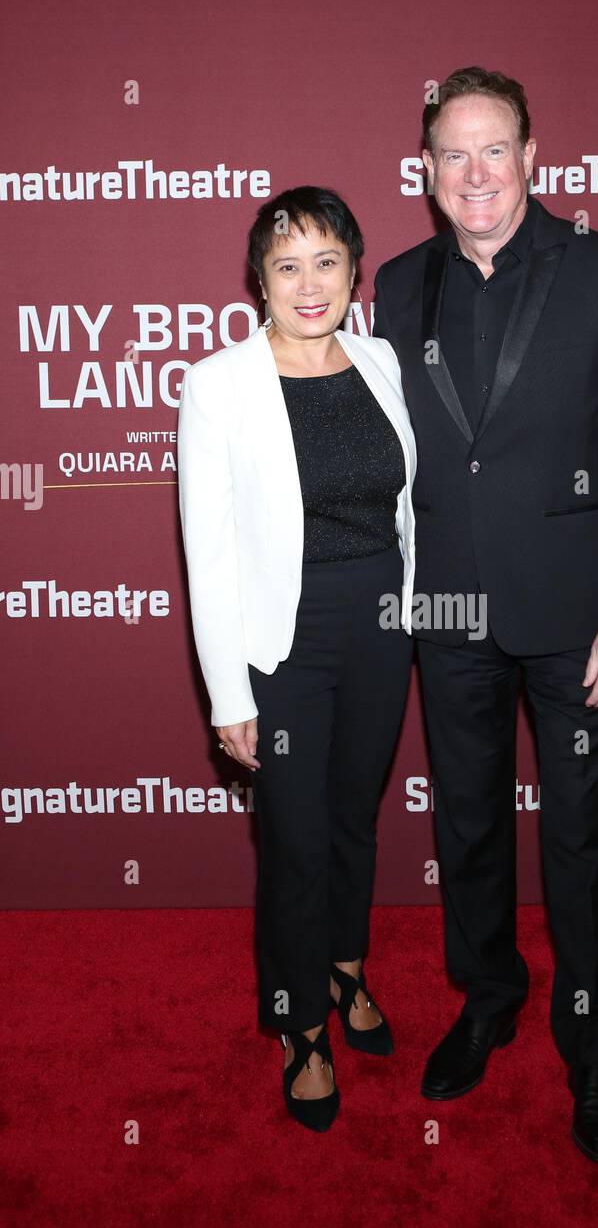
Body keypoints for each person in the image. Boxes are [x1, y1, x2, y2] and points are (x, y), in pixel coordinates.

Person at [373, 68, 598, 1164]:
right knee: (466, 822)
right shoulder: (396, 288)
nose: (474, 173)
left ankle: (591, 1050)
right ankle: (488, 996)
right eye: (452, 154)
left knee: (584, 837)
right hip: (444, 604)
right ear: (426, 172)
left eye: (491, 148)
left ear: (532, 155)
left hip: (574, 611)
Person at [177, 186, 417, 1132]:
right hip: (284, 637)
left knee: (355, 819)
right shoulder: (219, 383)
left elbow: (405, 511)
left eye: (326, 261)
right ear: (259, 282)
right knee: (295, 839)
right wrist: (226, 689)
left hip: (384, 624)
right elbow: (210, 549)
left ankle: (344, 966)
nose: (309, 284)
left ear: (355, 269)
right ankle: (298, 1024)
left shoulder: (385, 359)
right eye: (287, 265)